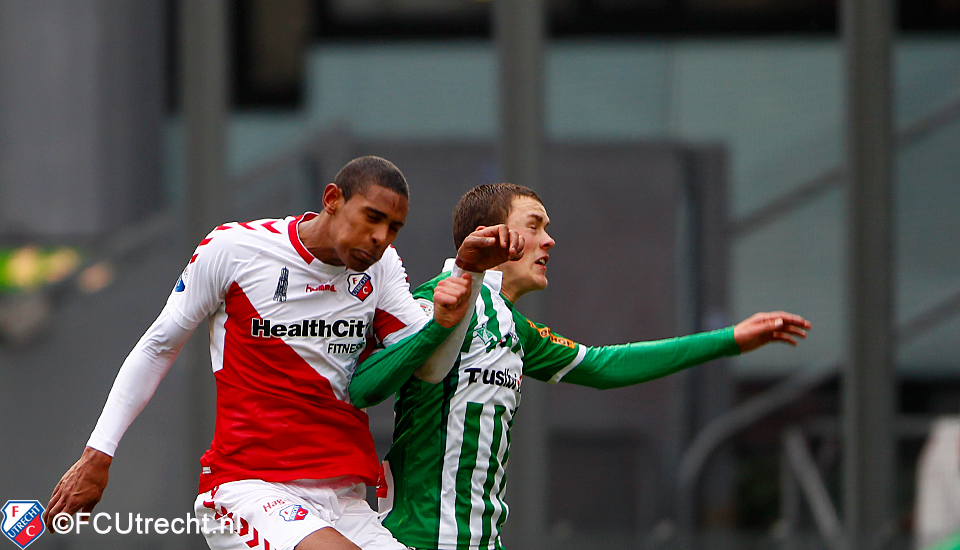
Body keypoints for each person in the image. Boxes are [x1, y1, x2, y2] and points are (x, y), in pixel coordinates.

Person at [44, 157, 523, 550]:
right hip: (250, 489)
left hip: (345, 500)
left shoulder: (381, 271)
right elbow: (157, 346)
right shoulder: (235, 248)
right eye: (372, 218)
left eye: (394, 228)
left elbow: (430, 368)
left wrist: (467, 278)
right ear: (332, 199)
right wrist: (98, 455)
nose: (381, 237)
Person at [349, 182, 812, 550]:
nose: (549, 239)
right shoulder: (437, 300)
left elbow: (604, 366)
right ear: (495, 234)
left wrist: (729, 339)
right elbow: (366, 383)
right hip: (417, 541)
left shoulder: (513, 326)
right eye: (535, 225)